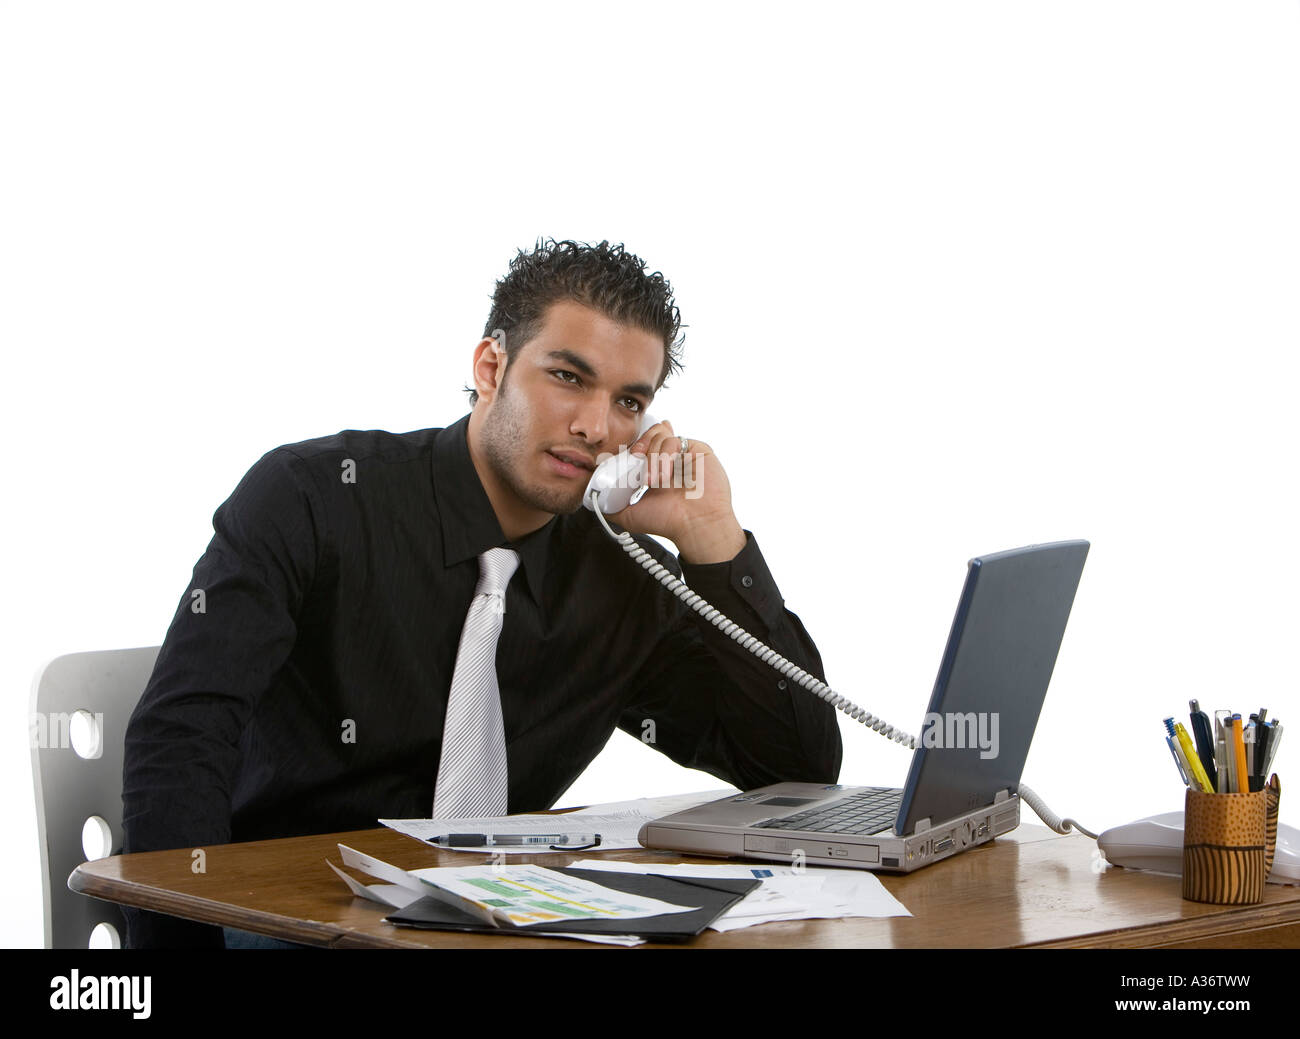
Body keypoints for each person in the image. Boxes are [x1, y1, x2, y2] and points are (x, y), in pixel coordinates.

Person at [121, 238, 842, 947]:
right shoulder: (313, 499)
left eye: (627, 401)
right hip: (290, 915)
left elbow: (795, 769)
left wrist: (713, 539)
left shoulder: (622, 577)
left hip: (500, 924)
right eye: (567, 376)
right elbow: (180, 737)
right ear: (491, 367)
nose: (595, 425)